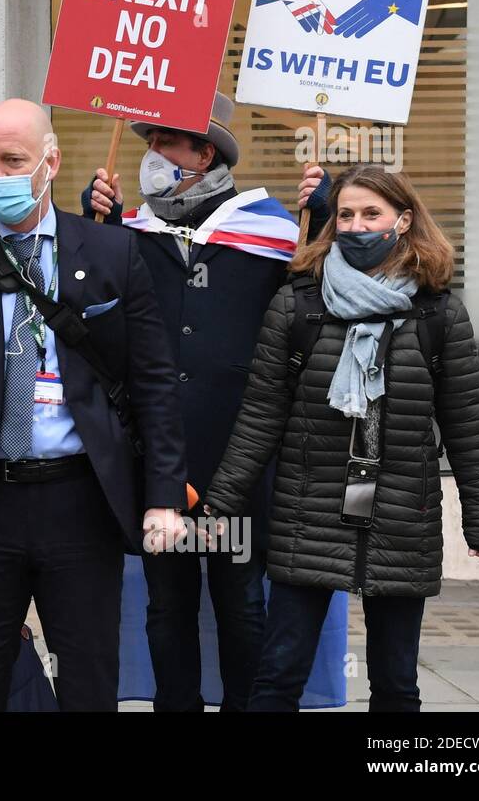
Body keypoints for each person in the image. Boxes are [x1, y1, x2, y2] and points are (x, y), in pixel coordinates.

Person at [0, 99, 189, 711]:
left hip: (81, 502)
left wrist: (162, 495)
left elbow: (155, 382)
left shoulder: (111, 254)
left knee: (89, 680)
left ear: (50, 161)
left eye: (12, 160)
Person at [203, 164, 479, 711]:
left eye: (372, 214)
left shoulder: (438, 313)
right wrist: (220, 502)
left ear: (403, 220)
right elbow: (261, 416)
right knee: (277, 678)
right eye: (345, 214)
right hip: (307, 510)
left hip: (402, 516)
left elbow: (468, 423)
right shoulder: (298, 304)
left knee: (395, 685)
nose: (357, 225)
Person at [80, 92, 333, 711]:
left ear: (206, 152)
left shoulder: (272, 231)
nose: (153, 154)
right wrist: (96, 229)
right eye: (149, 143)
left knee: (242, 605)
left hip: (239, 459)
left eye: (167, 142)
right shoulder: (131, 230)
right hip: (158, 456)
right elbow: (92, 316)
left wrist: (323, 223)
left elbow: (316, 313)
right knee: (166, 607)